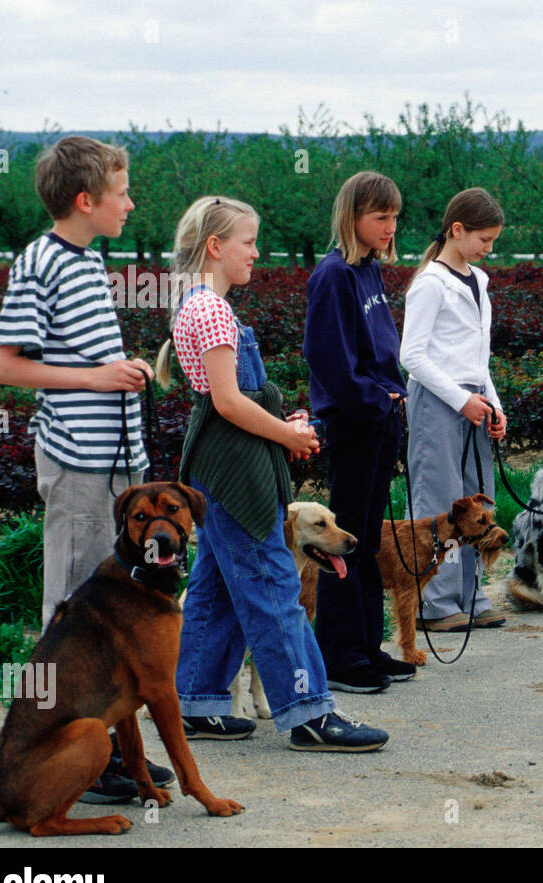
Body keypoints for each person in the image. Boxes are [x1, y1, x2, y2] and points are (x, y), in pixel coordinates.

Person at [154, 195, 388, 752]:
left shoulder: (196, 303)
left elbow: (226, 401)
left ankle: (196, 702)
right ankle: (308, 712)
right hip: (237, 473)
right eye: (248, 241)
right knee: (272, 583)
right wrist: (286, 434)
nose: (257, 252)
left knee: (214, 586)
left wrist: (282, 421)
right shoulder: (209, 309)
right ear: (215, 246)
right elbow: (231, 403)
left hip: (218, 466)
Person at [0, 135, 162, 802]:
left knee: (109, 612)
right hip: (80, 471)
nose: (131, 203)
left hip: (115, 469)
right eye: (121, 193)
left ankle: (104, 750)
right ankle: (61, 754)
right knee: (70, 615)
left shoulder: (86, 260)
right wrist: (94, 377)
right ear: (87, 200)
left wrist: (119, 376)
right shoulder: (42, 261)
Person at [304, 171, 414, 691]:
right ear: (353, 218)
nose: (391, 226)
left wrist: (391, 400)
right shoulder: (333, 275)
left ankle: (368, 645)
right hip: (354, 423)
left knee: (368, 538)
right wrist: (374, 400)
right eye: (380, 217)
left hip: (380, 420)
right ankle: (340, 656)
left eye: (394, 217)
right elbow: (327, 360)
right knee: (344, 539)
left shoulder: (368, 270)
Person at [398, 187, 508, 631]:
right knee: (439, 502)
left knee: (478, 500)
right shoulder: (429, 283)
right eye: (484, 239)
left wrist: (493, 407)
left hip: (474, 400)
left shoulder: (479, 281)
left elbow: (478, 358)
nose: (489, 248)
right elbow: (412, 356)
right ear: (456, 230)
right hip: (438, 401)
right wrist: (461, 400)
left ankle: (469, 593)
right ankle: (433, 602)